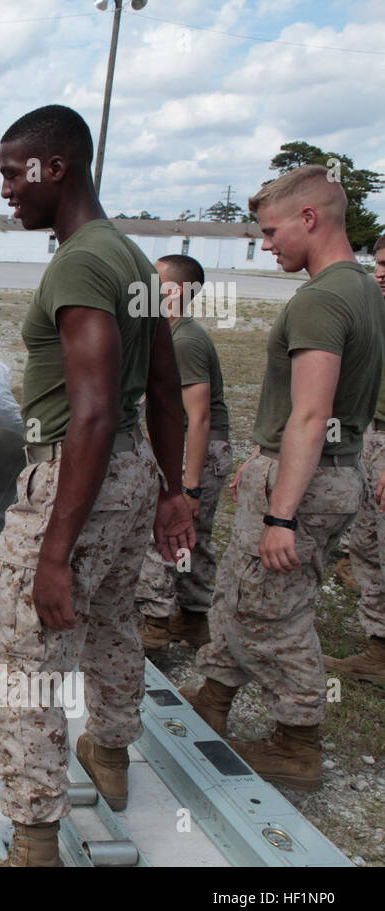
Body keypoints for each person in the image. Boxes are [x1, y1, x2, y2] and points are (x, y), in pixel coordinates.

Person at [0, 105, 193, 866]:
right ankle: (110, 755)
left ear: (54, 168)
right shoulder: (130, 257)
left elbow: (95, 410)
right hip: (133, 467)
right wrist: (172, 491)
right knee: (108, 620)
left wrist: (55, 550)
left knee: (19, 662)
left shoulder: (78, 262)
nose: (6, 190)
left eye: (13, 172)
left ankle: (36, 839)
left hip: (78, 471)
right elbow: (163, 389)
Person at [183, 166, 385, 792]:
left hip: (306, 483)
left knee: (274, 613)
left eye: (270, 232)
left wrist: (280, 514)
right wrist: (266, 455)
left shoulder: (322, 297)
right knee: (242, 597)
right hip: (323, 468)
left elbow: (311, 411)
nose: (264, 244)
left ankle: (298, 743)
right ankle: (213, 698)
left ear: (310, 219)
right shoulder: (364, 288)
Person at [135, 255, 231, 653]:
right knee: (192, 537)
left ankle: (157, 622)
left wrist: (187, 486)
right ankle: (191, 617)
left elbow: (200, 416)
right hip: (193, 449)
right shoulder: (168, 334)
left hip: (197, 451)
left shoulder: (186, 341)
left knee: (167, 533)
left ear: (173, 292)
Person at [330, 233, 385, 684]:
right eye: (379, 263)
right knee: (367, 542)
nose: (380, 272)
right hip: (371, 436)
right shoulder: (374, 307)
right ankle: (379, 648)